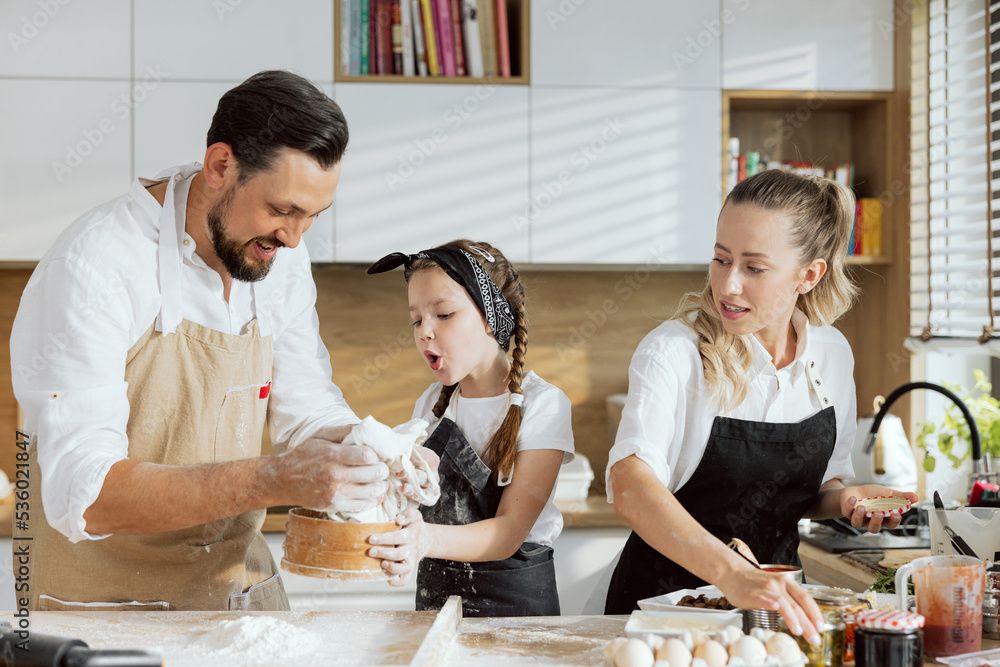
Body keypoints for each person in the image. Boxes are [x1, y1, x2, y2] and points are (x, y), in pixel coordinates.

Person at [9, 70, 427, 611]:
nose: (295, 239)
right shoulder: (96, 267)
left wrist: (372, 448)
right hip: (107, 613)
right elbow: (83, 496)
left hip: (239, 599)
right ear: (220, 166)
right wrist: (274, 478)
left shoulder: (279, 256)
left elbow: (305, 409)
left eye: (312, 217)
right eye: (281, 210)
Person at [601, 169, 918, 642]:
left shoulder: (831, 355)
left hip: (774, 609)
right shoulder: (674, 350)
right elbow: (629, 486)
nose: (727, 285)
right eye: (720, 259)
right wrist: (732, 575)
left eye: (753, 268)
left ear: (808, 276)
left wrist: (844, 499)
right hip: (667, 613)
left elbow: (806, 489)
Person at [364, 240, 575, 616]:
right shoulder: (431, 405)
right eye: (416, 319)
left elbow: (509, 532)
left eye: (443, 314)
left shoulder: (543, 404)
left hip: (518, 611)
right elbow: (413, 492)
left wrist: (423, 538)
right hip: (438, 605)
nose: (424, 331)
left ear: (490, 318)